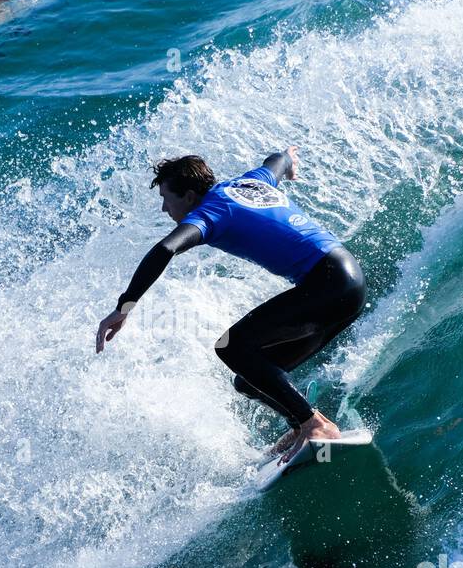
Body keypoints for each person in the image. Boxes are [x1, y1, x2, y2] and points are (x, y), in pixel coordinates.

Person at [95, 147, 366, 462]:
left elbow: (165, 249)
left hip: (329, 283)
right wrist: (289, 160)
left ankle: (314, 424)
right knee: (250, 381)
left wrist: (124, 307)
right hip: (349, 283)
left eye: (166, 199)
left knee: (231, 346)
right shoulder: (248, 183)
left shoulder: (209, 213)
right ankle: (301, 425)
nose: (164, 208)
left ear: (190, 197)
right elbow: (276, 163)